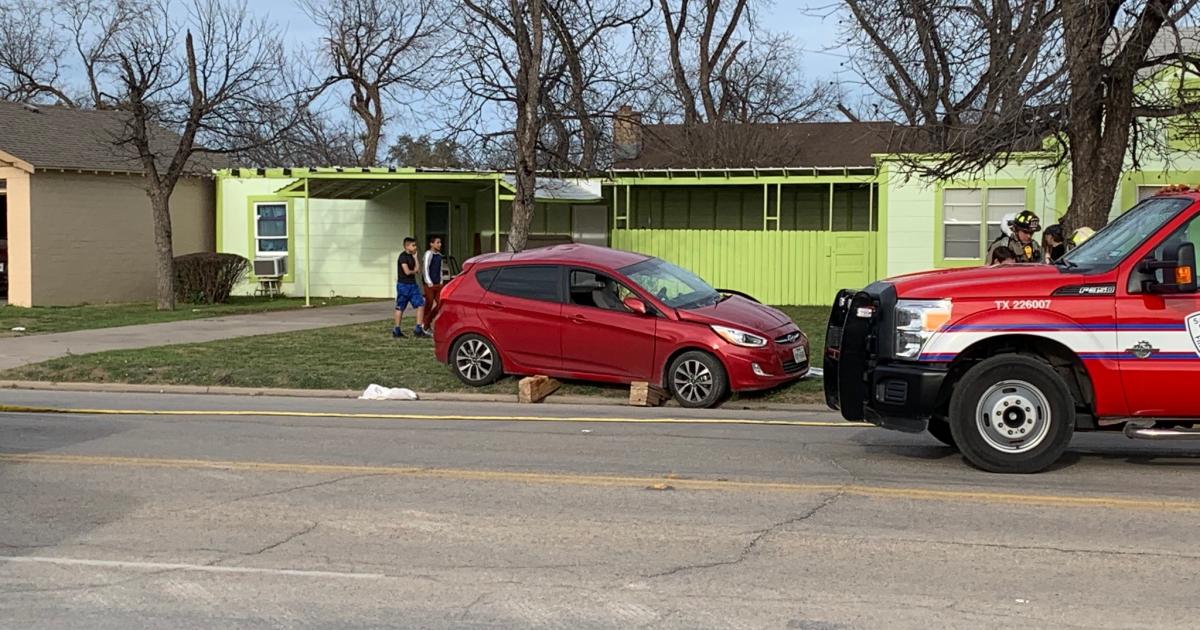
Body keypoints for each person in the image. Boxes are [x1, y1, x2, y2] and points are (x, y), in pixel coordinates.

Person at [393, 237, 429, 338]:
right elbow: (407, 272)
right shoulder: (402, 257)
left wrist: (415, 257)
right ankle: (396, 330)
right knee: (400, 307)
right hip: (403, 286)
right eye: (413, 245)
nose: (415, 247)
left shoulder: (412, 256)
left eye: (415, 245)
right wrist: (414, 270)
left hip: (413, 285)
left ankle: (418, 329)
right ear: (407, 246)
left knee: (421, 304)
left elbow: (418, 269)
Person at [421, 236, 444, 330]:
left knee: (440, 303)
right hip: (430, 284)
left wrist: (441, 281)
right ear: (431, 244)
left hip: (438, 284)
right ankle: (424, 323)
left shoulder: (439, 256)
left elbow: (440, 269)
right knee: (429, 303)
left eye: (440, 242)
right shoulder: (428, 254)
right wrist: (428, 281)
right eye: (437, 242)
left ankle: (428, 321)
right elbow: (425, 268)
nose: (439, 244)